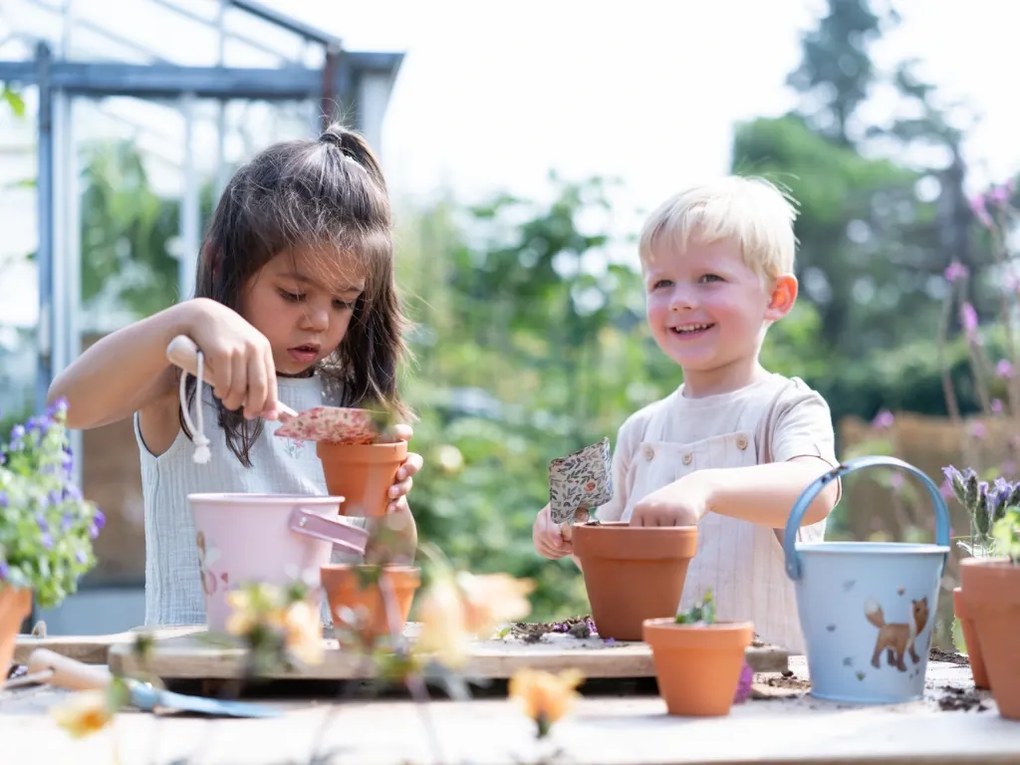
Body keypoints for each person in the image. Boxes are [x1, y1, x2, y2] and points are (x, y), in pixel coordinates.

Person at [49, 124, 422, 627]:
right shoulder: (184, 376)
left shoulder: (347, 404)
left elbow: (386, 568)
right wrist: (191, 316)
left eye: (343, 302)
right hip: (192, 682)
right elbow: (66, 406)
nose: (318, 320)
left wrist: (390, 505)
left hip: (316, 684)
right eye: (293, 294)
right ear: (222, 264)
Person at [532, 176, 840, 652]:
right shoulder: (643, 428)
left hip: (767, 682)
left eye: (709, 278)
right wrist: (567, 528)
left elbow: (816, 490)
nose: (680, 299)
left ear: (776, 298)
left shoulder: (786, 406)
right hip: (653, 670)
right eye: (662, 283)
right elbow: (607, 543)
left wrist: (707, 487)